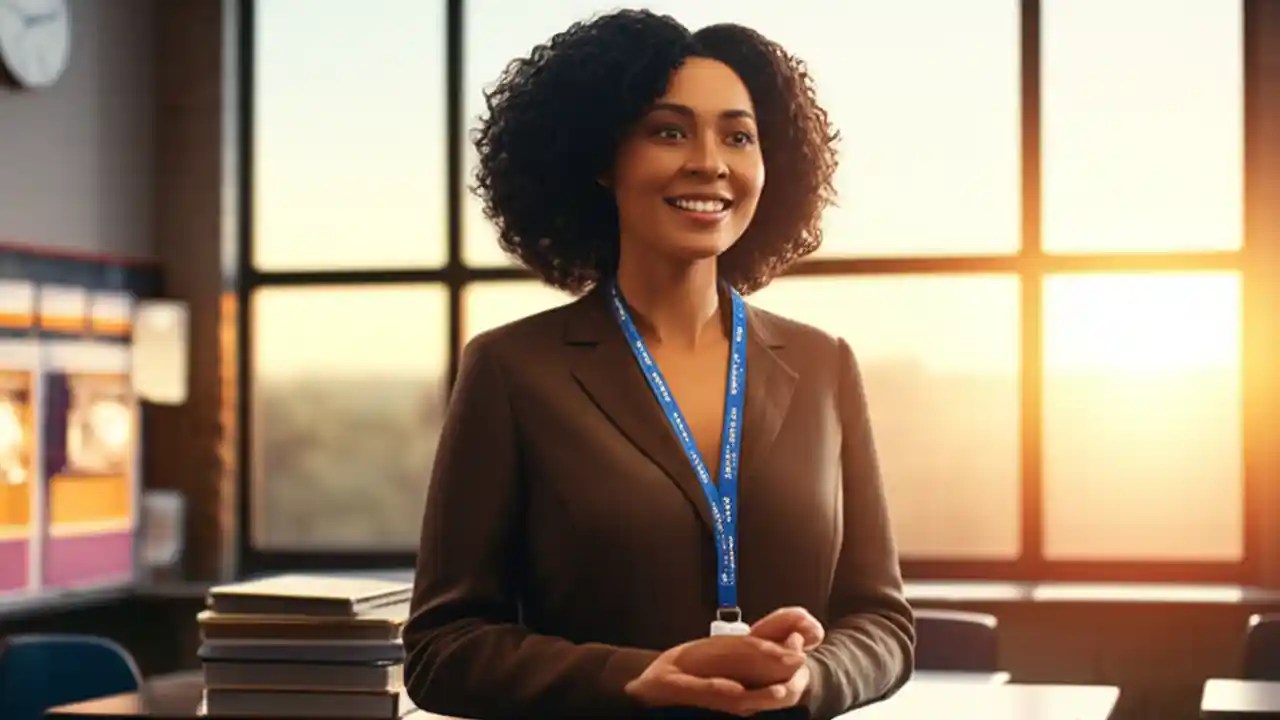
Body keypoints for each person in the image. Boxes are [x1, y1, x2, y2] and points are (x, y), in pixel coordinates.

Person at [404, 9, 914, 719]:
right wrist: (636, 677)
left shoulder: (824, 364)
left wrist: (811, 678)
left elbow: (884, 623)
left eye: (738, 136)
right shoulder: (511, 370)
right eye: (668, 131)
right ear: (601, 161)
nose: (709, 160)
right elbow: (440, 650)